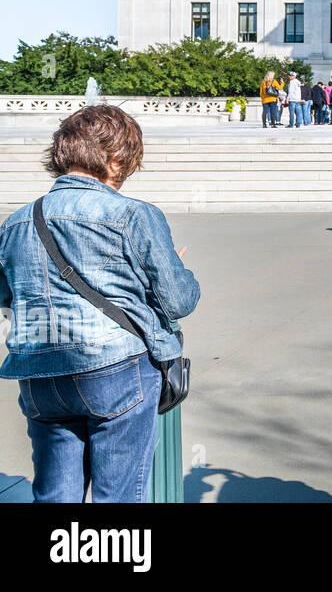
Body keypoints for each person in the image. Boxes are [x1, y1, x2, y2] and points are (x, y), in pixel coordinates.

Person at [0, 105, 200, 502]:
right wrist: (173, 267)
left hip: (40, 371)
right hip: (115, 368)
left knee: (56, 493)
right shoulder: (132, 214)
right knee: (120, 495)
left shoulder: (17, 221)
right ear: (115, 160)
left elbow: (7, 297)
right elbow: (179, 300)